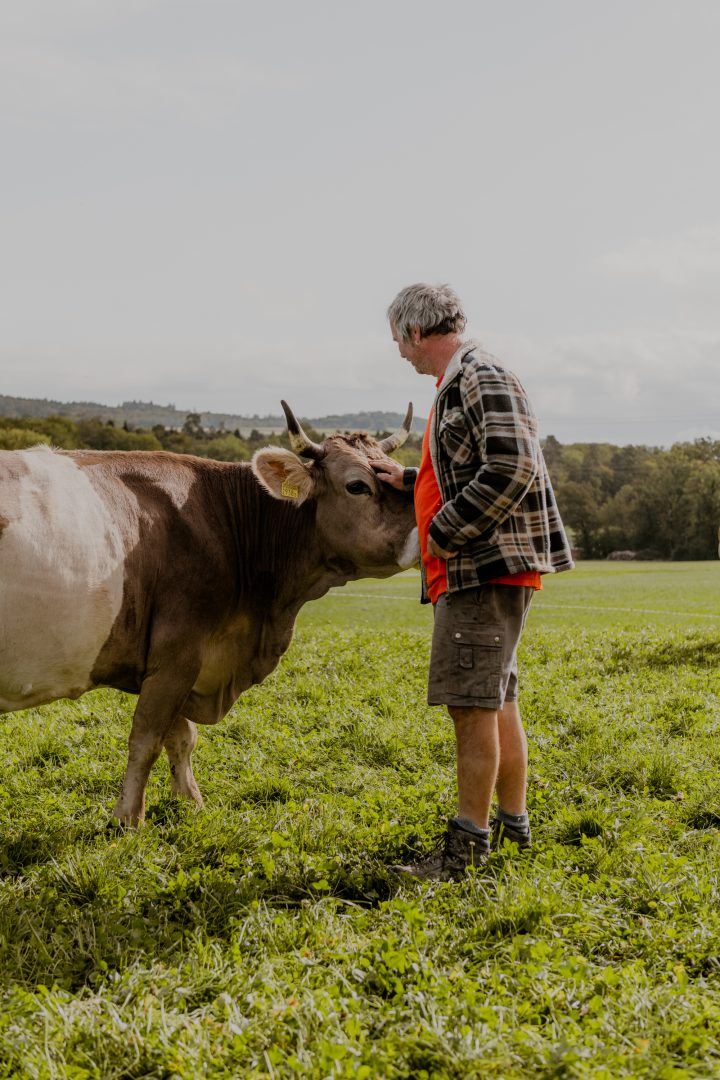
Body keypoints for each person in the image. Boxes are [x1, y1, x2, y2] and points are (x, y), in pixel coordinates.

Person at [372, 283, 573, 881]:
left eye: (397, 342)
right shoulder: (461, 381)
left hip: (481, 567)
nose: (400, 354)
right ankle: (512, 828)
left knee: (470, 706)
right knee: (496, 699)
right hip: (485, 565)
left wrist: (442, 530)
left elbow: (513, 465)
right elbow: (465, 464)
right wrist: (409, 477)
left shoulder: (481, 376)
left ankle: (465, 851)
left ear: (415, 332)